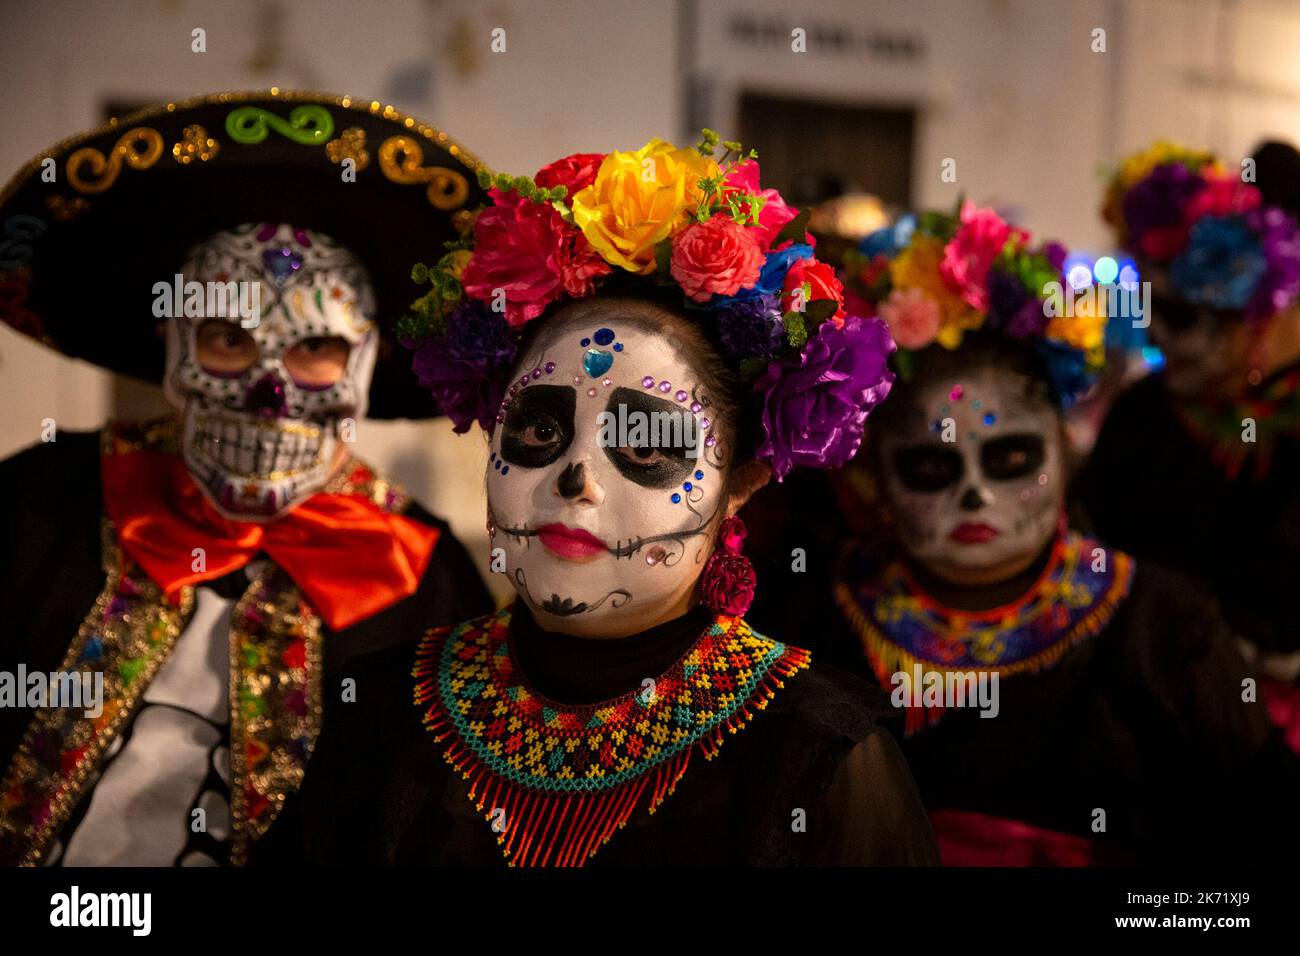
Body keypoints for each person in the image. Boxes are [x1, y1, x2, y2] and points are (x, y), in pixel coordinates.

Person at [298, 133, 938, 866]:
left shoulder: (816, 753)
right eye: (540, 426)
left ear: (742, 483)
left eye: (643, 441)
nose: (577, 479)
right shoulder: (378, 711)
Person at [0, 91, 494, 866]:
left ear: (369, 363)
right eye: (229, 339)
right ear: (171, 343)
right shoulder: (36, 504)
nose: (271, 390)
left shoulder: (425, 579)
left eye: (315, 350)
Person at [824, 203, 1300, 864]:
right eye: (931, 465)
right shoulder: (817, 620)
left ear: (1065, 448)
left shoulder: (1163, 626)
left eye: (1010, 458)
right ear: (875, 469)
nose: (975, 494)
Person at [1077, 143, 1300, 753]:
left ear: (1263, 315)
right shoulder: (1143, 415)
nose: (1153, 335)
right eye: (1150, 310)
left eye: (1178, 315)